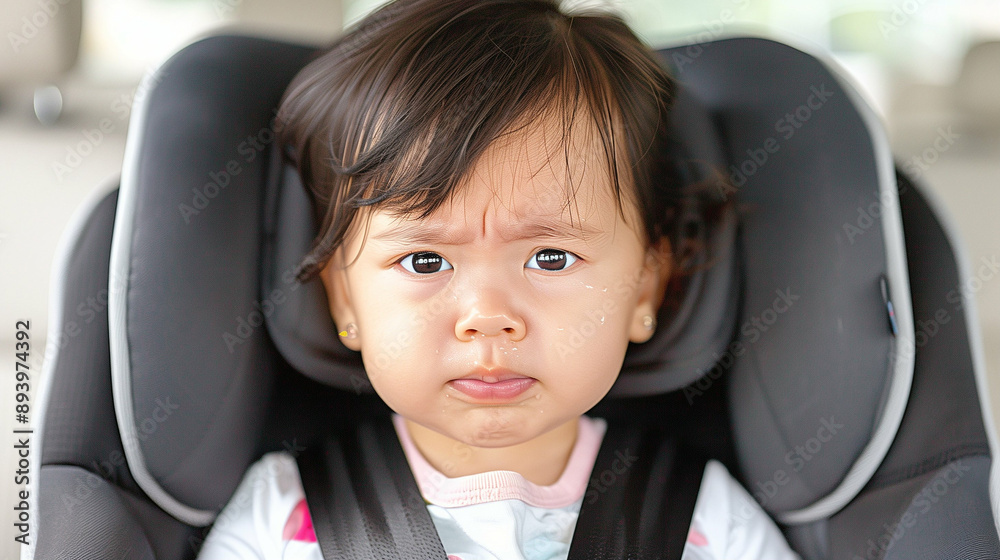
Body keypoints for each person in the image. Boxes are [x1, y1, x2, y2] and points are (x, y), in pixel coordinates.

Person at [195, 0, 801, 558]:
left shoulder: (704, 519)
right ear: (343, 297)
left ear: (645, 286)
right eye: (426, 261)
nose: (487, 315)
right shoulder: (280, 518)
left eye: (551, 258)